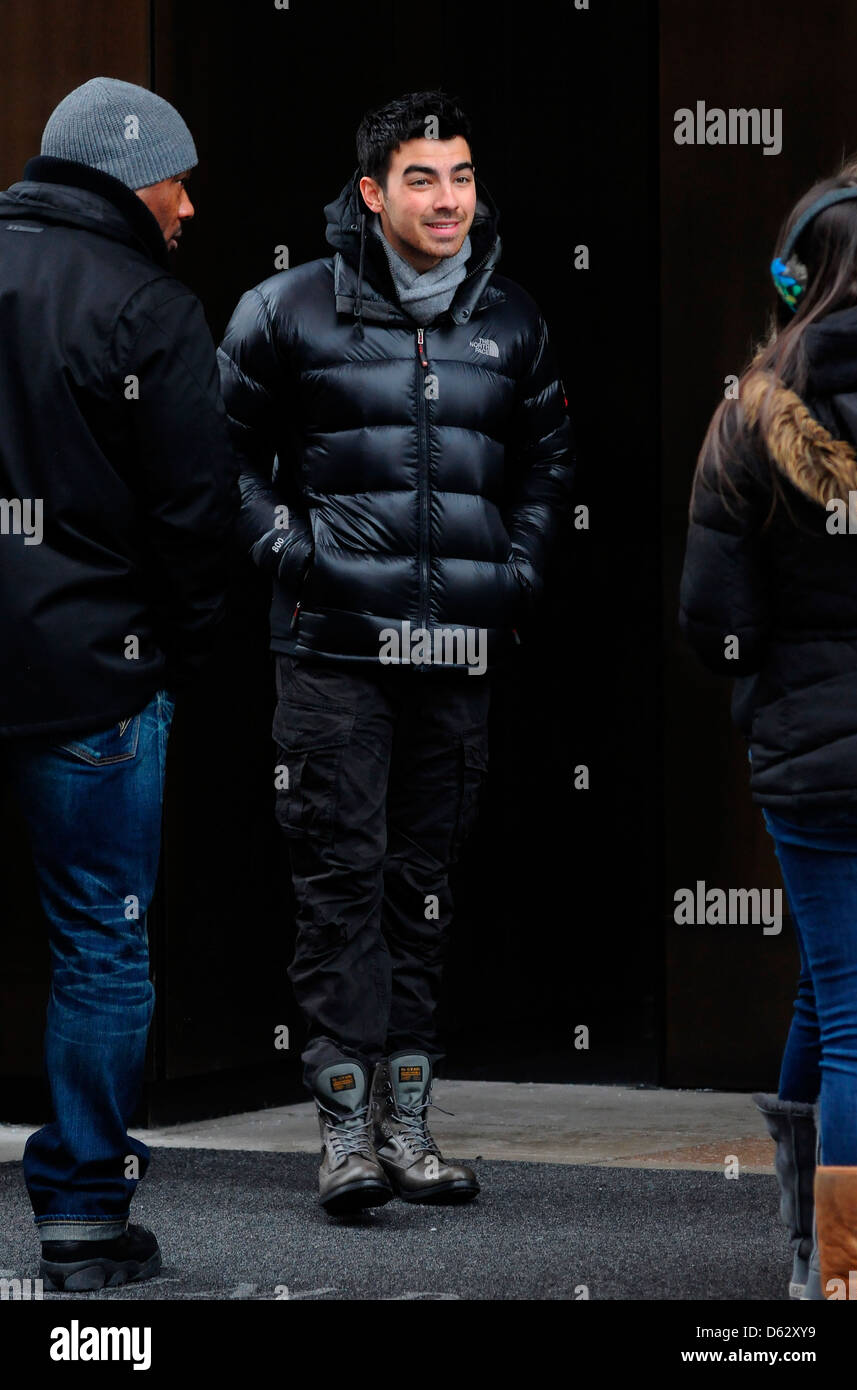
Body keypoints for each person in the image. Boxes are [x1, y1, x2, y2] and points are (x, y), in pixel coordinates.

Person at [219, 90, 574, 1215]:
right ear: (370, 192)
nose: (447, 200)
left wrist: (512, 575)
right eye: (421, 179)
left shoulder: (510, 318)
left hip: (457, 654)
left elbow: (547, 464)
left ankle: (408, 1127)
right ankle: (342, 1139)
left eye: (461, 176)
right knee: (339, 884)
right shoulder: (286, 309)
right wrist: (290, 549)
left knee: (422, 889)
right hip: (332, 654)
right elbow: (219, 451)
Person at [0, 77, 240, 1289]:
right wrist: (185, 658)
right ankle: (86, 1218)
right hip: (95, 685)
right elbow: (199, 518)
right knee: (101, 941)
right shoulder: (148, 305)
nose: (188, 206)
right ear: (123, 174)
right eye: (176, 181)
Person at [680, 157, 857, 1300]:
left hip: (806, 764)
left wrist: (767, 700)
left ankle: (818, 1251)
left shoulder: (744, 417)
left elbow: (712, 624)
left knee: (835, 997)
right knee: (848, 1005)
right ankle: (841, 1262)